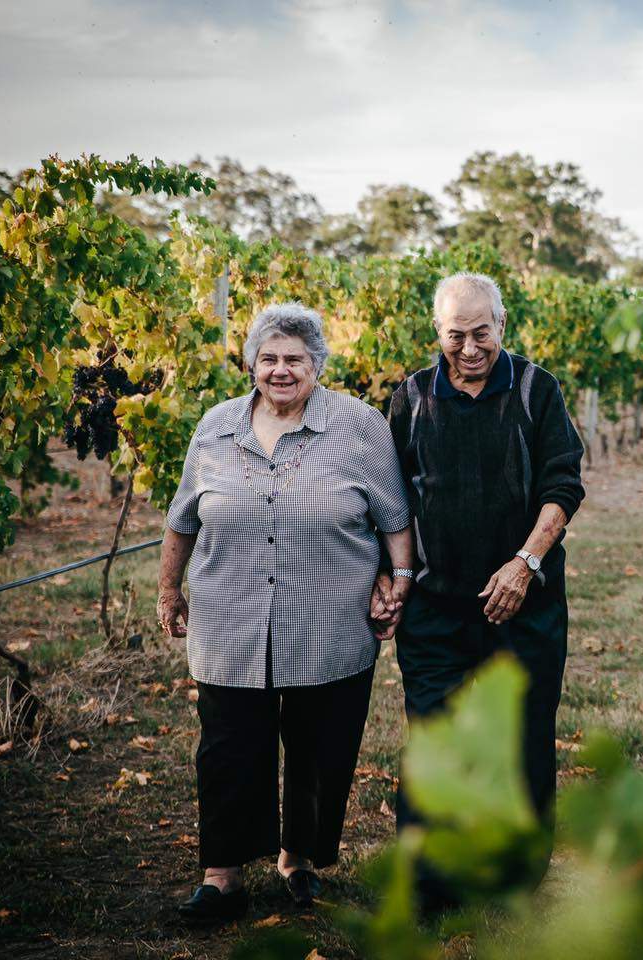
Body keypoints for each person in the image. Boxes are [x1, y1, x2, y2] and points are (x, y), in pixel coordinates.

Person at [156, 302, 415, 923]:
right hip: (229, 620)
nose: (280, 370)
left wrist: (400, 577)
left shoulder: (359, 427)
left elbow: (395, 517)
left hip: (327, 620)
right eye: (268, 358)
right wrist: (169, 590)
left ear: (318, 365)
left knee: (318, 746)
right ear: (251, 363)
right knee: (228, 747)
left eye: (294, 359)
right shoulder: (215, 428)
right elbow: (182, 517)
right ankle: (222, 877)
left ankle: (297, 859)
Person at [376, 271, 585, 910]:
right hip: (436, 608)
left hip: (525, 606)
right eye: (455, 335)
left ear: (502, 325)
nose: (469, 348)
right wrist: (394, 575)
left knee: (523, 741)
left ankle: (515, 877)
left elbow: (563, 485)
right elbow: (392, 500)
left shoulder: (535, 390)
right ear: (438, 333)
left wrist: (525, 562)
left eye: (481, 333)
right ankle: (429, 883)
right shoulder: (410, 399)